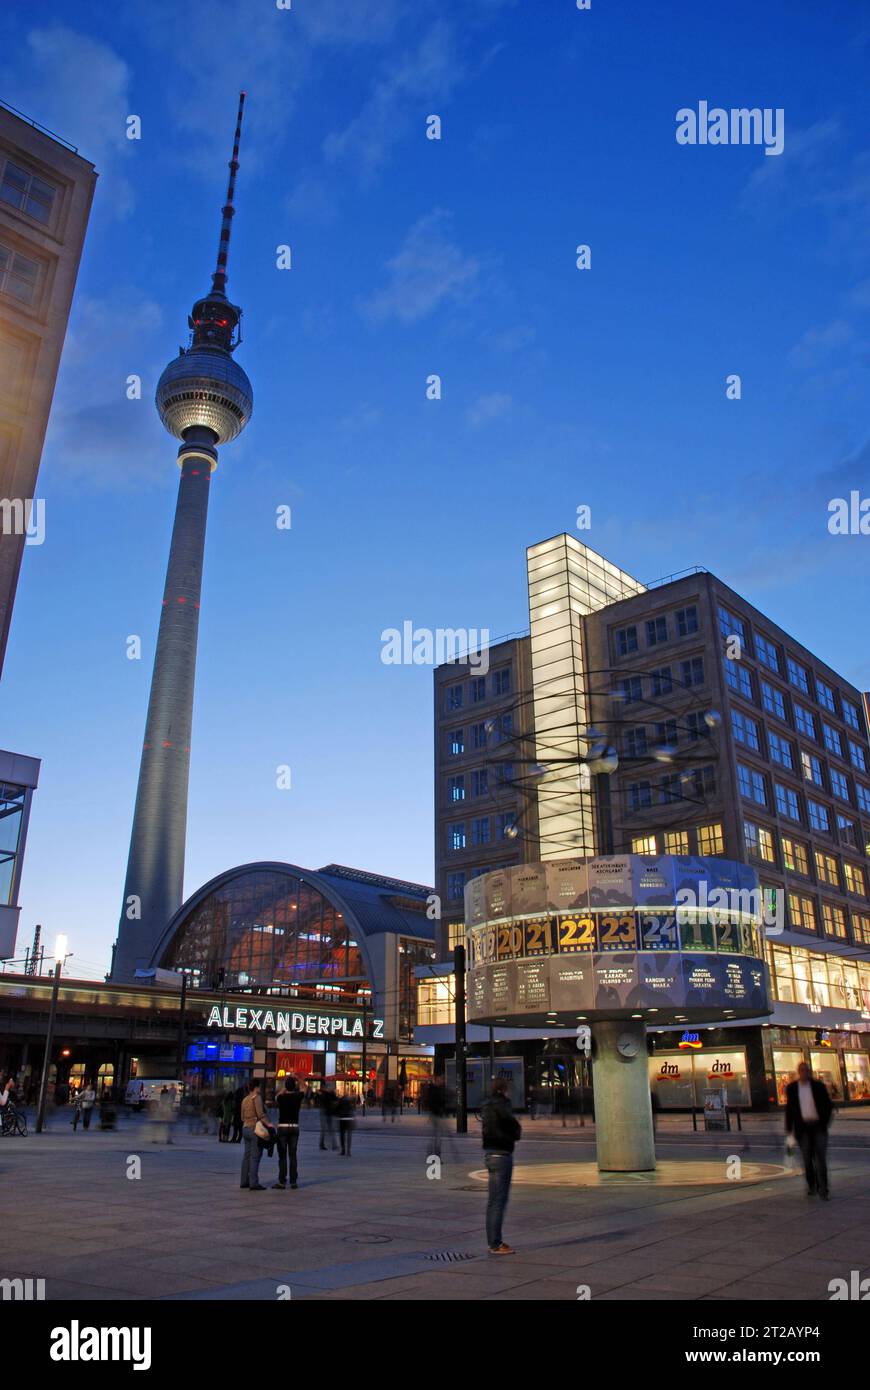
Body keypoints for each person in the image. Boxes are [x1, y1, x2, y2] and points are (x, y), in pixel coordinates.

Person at [481, 1077, 522, 1255]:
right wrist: (515, 1132)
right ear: (504, 1089)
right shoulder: (503, 1104)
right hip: (502, 1153)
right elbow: (514, 1128)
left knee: (493, 1201)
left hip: (490, 1154)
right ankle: (495, 1243)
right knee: (499, 1201)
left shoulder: (487, 1104)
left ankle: (493, 1241)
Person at [785, 1061, 834, 1200]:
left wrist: (824, 1122)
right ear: (798, 1072)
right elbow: (790, 1110)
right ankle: (812, 1185)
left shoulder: (818, 1086)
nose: (804, 1073)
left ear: (809, 1072)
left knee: (820, 1159)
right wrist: (789, 1129)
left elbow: (828, 1105)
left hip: (818, 1126)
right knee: (807, 1159)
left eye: (806, 1070)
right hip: (803, 1128)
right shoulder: (792, 1088)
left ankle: (823, 1189)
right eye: (801, 1070)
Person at [240, 1079, 272, 1190]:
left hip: (245, 1128)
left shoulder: (245, 1099)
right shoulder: (257, 1098)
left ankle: (244, 1181)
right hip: (255, 1129)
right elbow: (261, 1114)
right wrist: (269, 1124)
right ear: (257, 1087)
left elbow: (242, 1117)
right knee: (255, 1157)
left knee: (246, 1156)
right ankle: (253, 1183)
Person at [272, 1078, 303, 1189]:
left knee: (282, 1155)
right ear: (294, 1087)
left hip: (283, 1127)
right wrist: (298, 1080)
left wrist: (284, 1089)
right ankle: (293, 1181)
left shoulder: (281, 1097)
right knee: (293, 1155)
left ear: (286, 1086)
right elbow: (304, 1089)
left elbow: (276, 1096)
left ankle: (282, 1181)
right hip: (294, 1127)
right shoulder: (298, 1097)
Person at [424, 1074, 449, 1158]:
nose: (442, 1081)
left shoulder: (439, 1089)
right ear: (437, 1079)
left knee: (436, 1136)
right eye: (441, 1079)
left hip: (438, 1115)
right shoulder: (434, 1090)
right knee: (437, 1137)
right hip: (435, 1115)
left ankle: (434, 1154)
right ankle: (435, 1155)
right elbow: (432, 1103)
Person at [318, 1085, 338, 1151]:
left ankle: (330, 1144)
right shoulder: (325, 1095)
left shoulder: (325, 1094)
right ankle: (332, 1145)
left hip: (327, 1113)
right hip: (326, 1114)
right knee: (328, 1130)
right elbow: (334, 1101)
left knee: (327, 1130)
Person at [336, 1091, 355, 1156]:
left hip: (342, 1119)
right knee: (349, 1135)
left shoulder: (341, 1100)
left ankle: (343, 1150)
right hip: (349, 1119)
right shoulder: (351, 1101)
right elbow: (353, 1110)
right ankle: (348, 1151)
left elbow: (337, 1109)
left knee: (342, 1135)